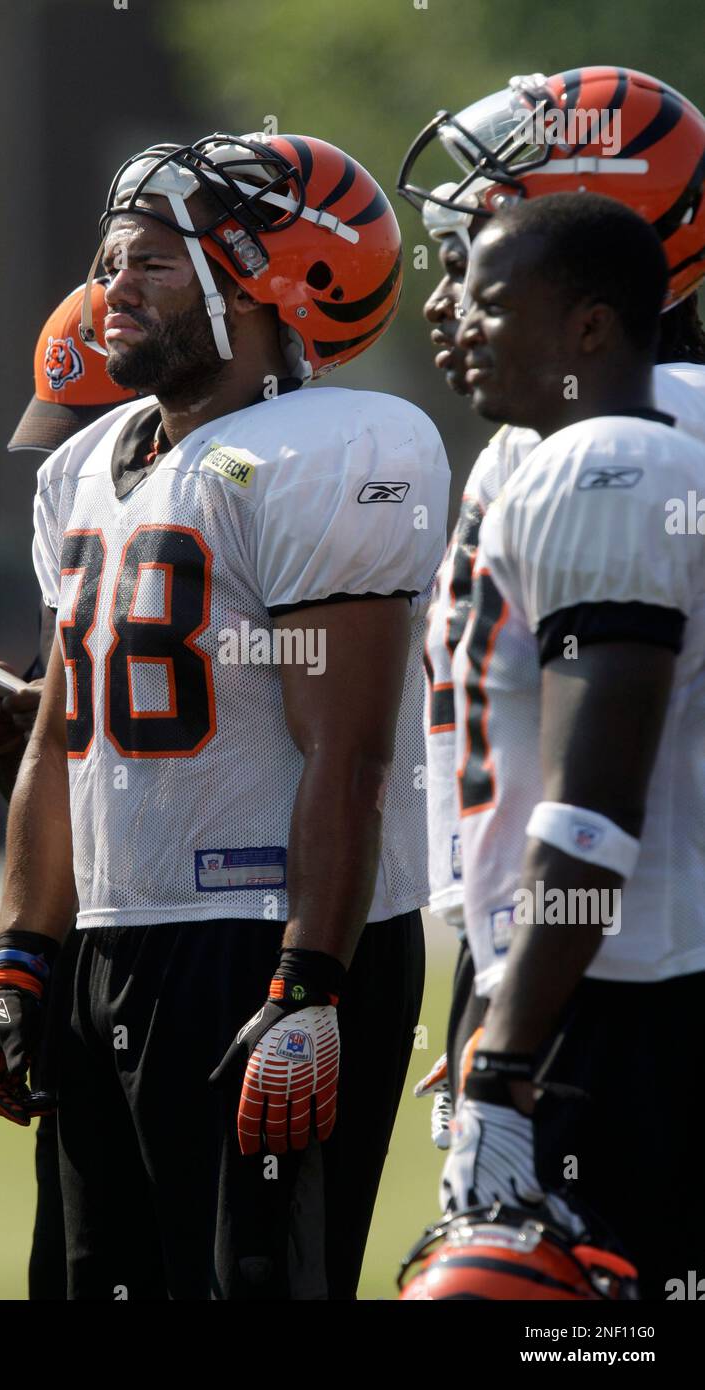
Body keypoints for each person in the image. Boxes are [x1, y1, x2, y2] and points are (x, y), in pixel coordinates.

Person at [0, 131, 450, 1300]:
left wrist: (308, 982)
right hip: (111, 941)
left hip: (265, 938)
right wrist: (23, 953)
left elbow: (349, 752)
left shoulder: (334, 448)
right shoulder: (82, 464)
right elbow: (58, 735)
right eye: (108, 260)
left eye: (152, 263)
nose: (111, 288)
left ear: (264, 284)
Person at [395, 66, 705, 1133]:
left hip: (626, 984)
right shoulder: (553, 436)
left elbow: (592, 791)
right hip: (558, 961)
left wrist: (507, 1040)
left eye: (476, 265)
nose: (445, 303)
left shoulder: (620, 449)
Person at [442, 191, 705, 1298]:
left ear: (588, 328)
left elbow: (589, 816)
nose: (458, 322)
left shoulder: (604, 465)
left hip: (621, 1004)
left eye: (493, 304)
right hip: (591, 993)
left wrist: (506, 1059)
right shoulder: (572, 462)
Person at [0, 279, 131, 1299]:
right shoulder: (83, 512)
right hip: (91, 937)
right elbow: (77, 805)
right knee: (77, 1261)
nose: (72, 467)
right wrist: (8, 737)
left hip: (219, 935)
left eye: (90, 434)